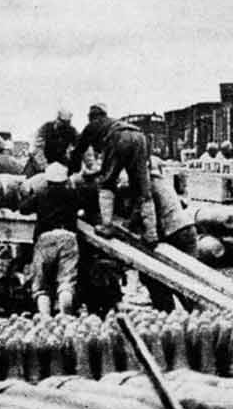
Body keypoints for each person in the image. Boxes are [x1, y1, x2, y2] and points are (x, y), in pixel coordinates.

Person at [80, 107, 159, 244]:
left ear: (91, 117)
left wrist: (75, 171)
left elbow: (79, 150)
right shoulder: (113, 122)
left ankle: (106, 226)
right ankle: (151, 233)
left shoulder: (93, 125)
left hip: (119, 138)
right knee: (142, 188)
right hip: (140, 136)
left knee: (106, 183)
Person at [31, 163, 97, 316]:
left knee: (42, 283)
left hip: (45, 238)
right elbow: (87, 205)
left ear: (47, 180)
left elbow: (23, 208)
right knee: (66, 279)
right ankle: (65, 311)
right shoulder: (72, 194)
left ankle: (45, 318)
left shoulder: (41, 193)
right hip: (68, 237)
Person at [147, 161, 199, 312]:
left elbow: (146, 213)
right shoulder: (163, 181)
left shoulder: (148, 184)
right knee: (190, 279)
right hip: (187, 229)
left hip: (175, 233)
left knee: (154, 276)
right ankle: (197, 314)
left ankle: (167, 313)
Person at [32, 108, 79, 175]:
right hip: (45, 161)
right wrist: (44, 166)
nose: (65, 125)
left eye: (67, 122)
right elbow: (38, 149)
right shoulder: (46, 128)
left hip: (61, 162)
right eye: (63, 122)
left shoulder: (72, 131)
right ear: (57, 119)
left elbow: (80, 146)